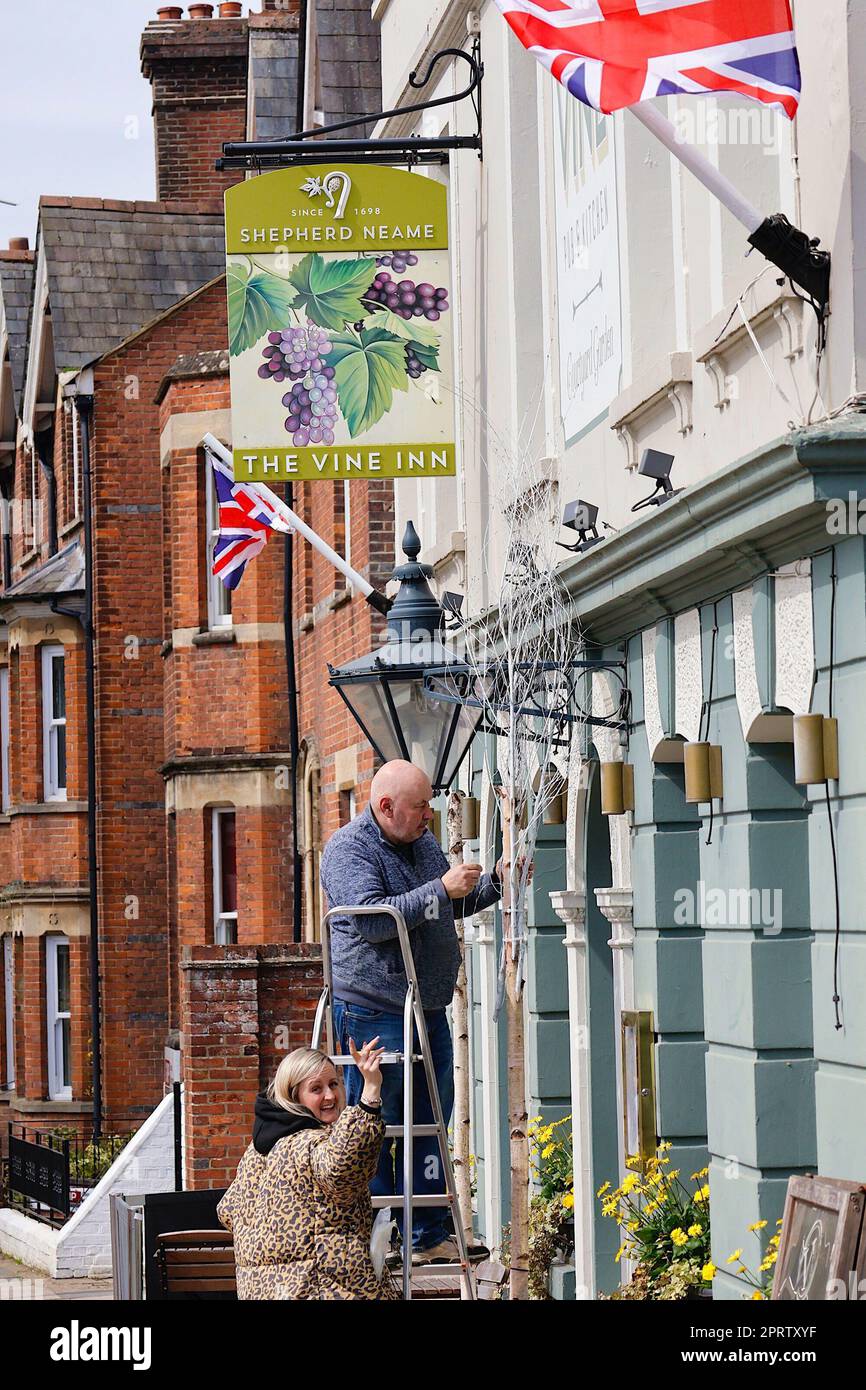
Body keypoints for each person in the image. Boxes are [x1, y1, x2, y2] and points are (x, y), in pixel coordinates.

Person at [320, 759, 506, 1265]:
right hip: (374, 1010)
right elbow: (374, 921)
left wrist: (492, 884)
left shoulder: (421, 843)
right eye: (421, 806)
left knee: (429, 1119)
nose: (430, 814)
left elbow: (441, 907)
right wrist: (441, 889)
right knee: (375, 1121)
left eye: (430, 804)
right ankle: (376, 1235)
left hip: (427, 1006)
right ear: (385, 807)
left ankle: (425, 1235)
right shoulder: (347, 850)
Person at [217, 1040, 398, 1300]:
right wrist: (370, 1092)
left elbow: (228, 1210)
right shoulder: (308, 1143)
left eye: (334, 1084)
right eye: (316, 1089)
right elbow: (342, 1169)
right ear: (294, 1096)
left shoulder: (259, 1148)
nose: (330, 1095)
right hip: (321, 1288)